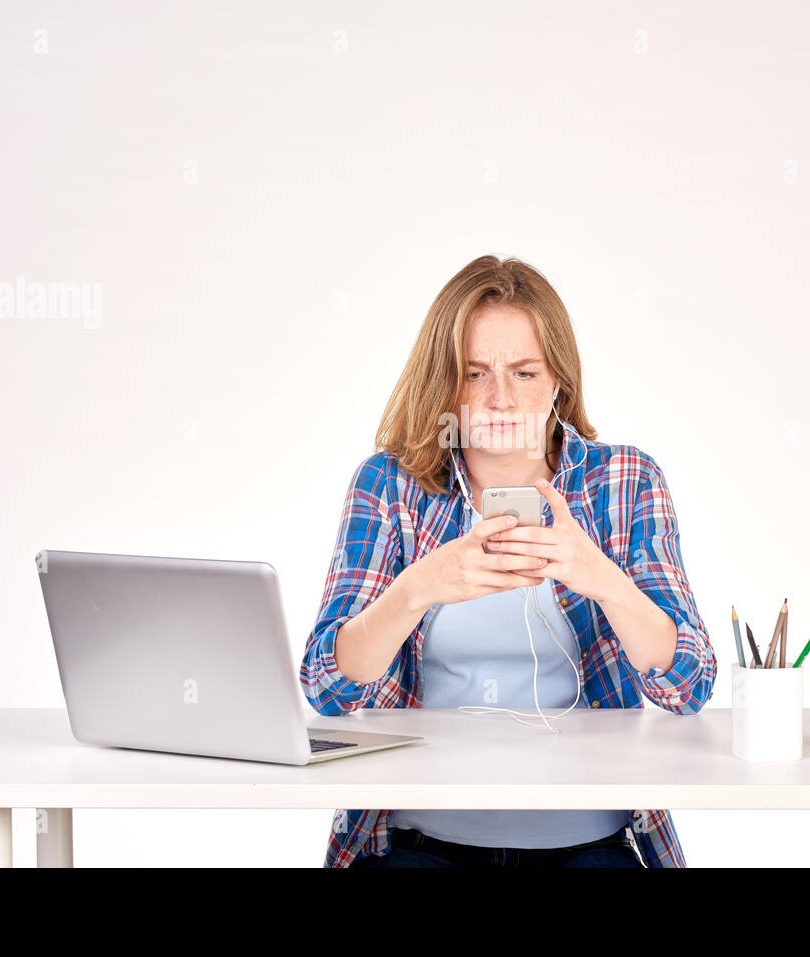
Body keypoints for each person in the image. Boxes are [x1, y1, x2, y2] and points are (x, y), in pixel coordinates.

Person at [301, 254, 716, 868]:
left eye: (524, 373)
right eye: (474, 374)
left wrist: (599, 577)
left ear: (559, 381)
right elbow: (327, 687)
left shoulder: (625, 480)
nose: (499, 400)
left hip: (587, 844)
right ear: (443, 383)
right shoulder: (389, 486)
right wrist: (416, 589)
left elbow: (689, 683)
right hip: (418, 845)